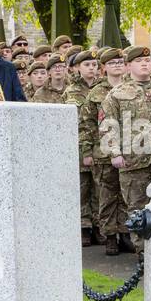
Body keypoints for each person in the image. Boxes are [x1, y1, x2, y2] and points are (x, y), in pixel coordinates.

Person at [99, 46, 151, 253]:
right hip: (133, 160)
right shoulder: (116, 94)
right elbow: (108, 125)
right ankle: (143, 252)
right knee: (137, 209)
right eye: (139, 61)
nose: (145, 64)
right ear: (128, 66)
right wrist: (115, 153)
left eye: (148, 61)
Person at [85, 48, 132, 256]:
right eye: (112, 63)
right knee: (107, 195)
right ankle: (110, 235)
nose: (117, 66)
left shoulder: (132, 88)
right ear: (103, 68)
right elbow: (86, 124)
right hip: (103, 151)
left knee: (126, 194)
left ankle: (126, 232)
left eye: (120, 62)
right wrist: (87, 150)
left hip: (130, 149)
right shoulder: (96, 93)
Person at [64, 51, 101, 246]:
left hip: (99, 144)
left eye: (94, 64)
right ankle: (83, 226)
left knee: (99, 188)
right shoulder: (70, 91)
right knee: (82, 187)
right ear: (77, 67)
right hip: (77, 144)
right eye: (87, 65)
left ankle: (98, 225)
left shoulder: (103, 88)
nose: (91, 68)